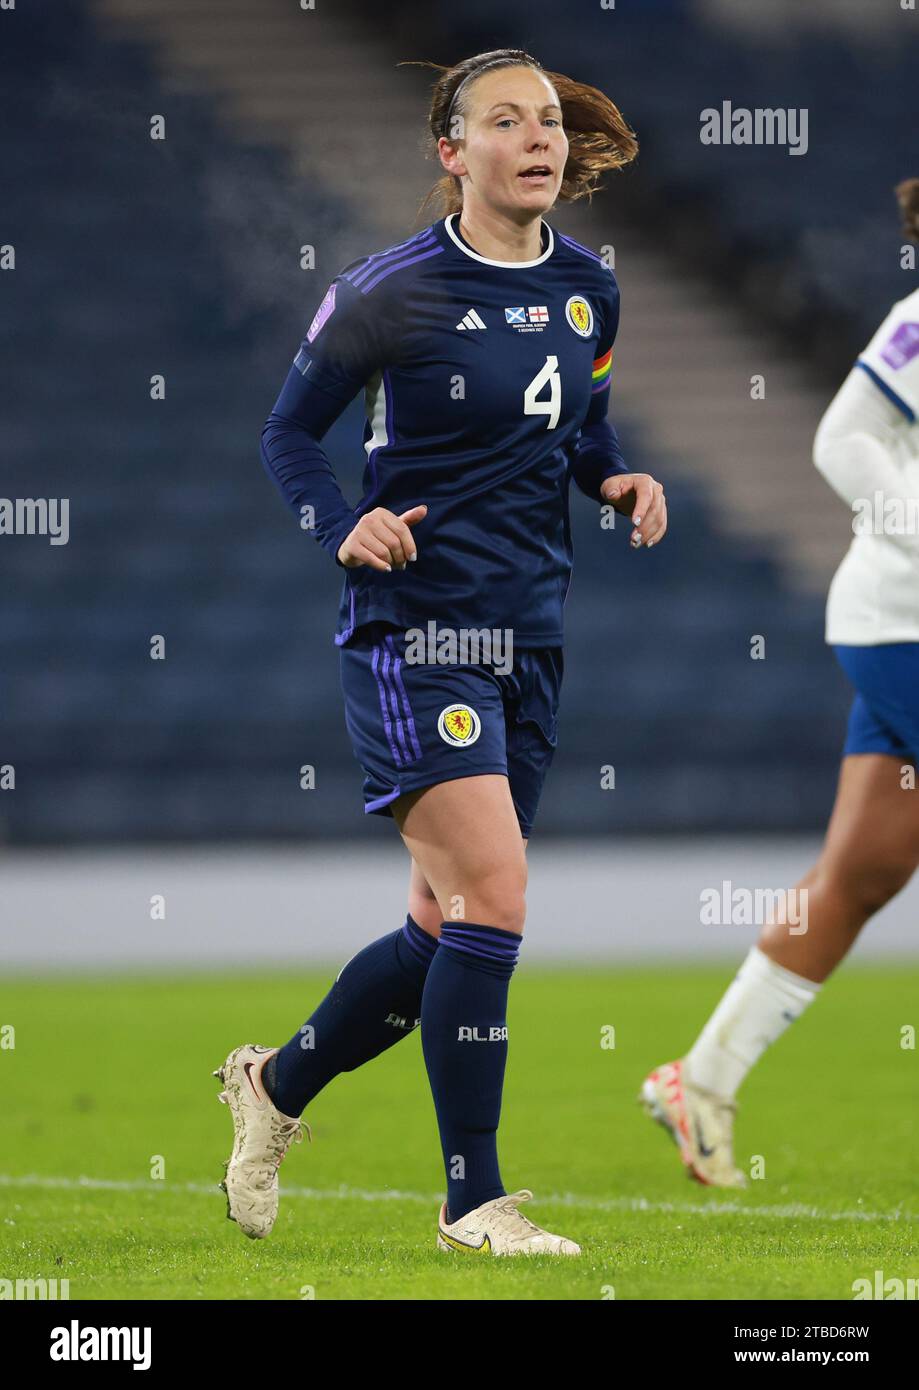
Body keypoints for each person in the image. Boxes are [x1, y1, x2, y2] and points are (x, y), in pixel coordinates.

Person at [215, 48, 667, 1254]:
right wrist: (340, 523)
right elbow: (287, 436)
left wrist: (614, 476)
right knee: (498, 899)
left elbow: (581, 426)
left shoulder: (588, 291)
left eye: (550, 122)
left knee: (440, 928)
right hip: (417, 637)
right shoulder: (390, 289)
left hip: (531, 635)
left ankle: (272, 1090)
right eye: (505, 121)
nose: (539, 139)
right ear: (450, 152)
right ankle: (474, 1201)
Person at [641, 178, 919, 1189]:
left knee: (864, 870)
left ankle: (700, 1079)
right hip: (905, 623)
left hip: (892, 627)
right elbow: (840, 438)